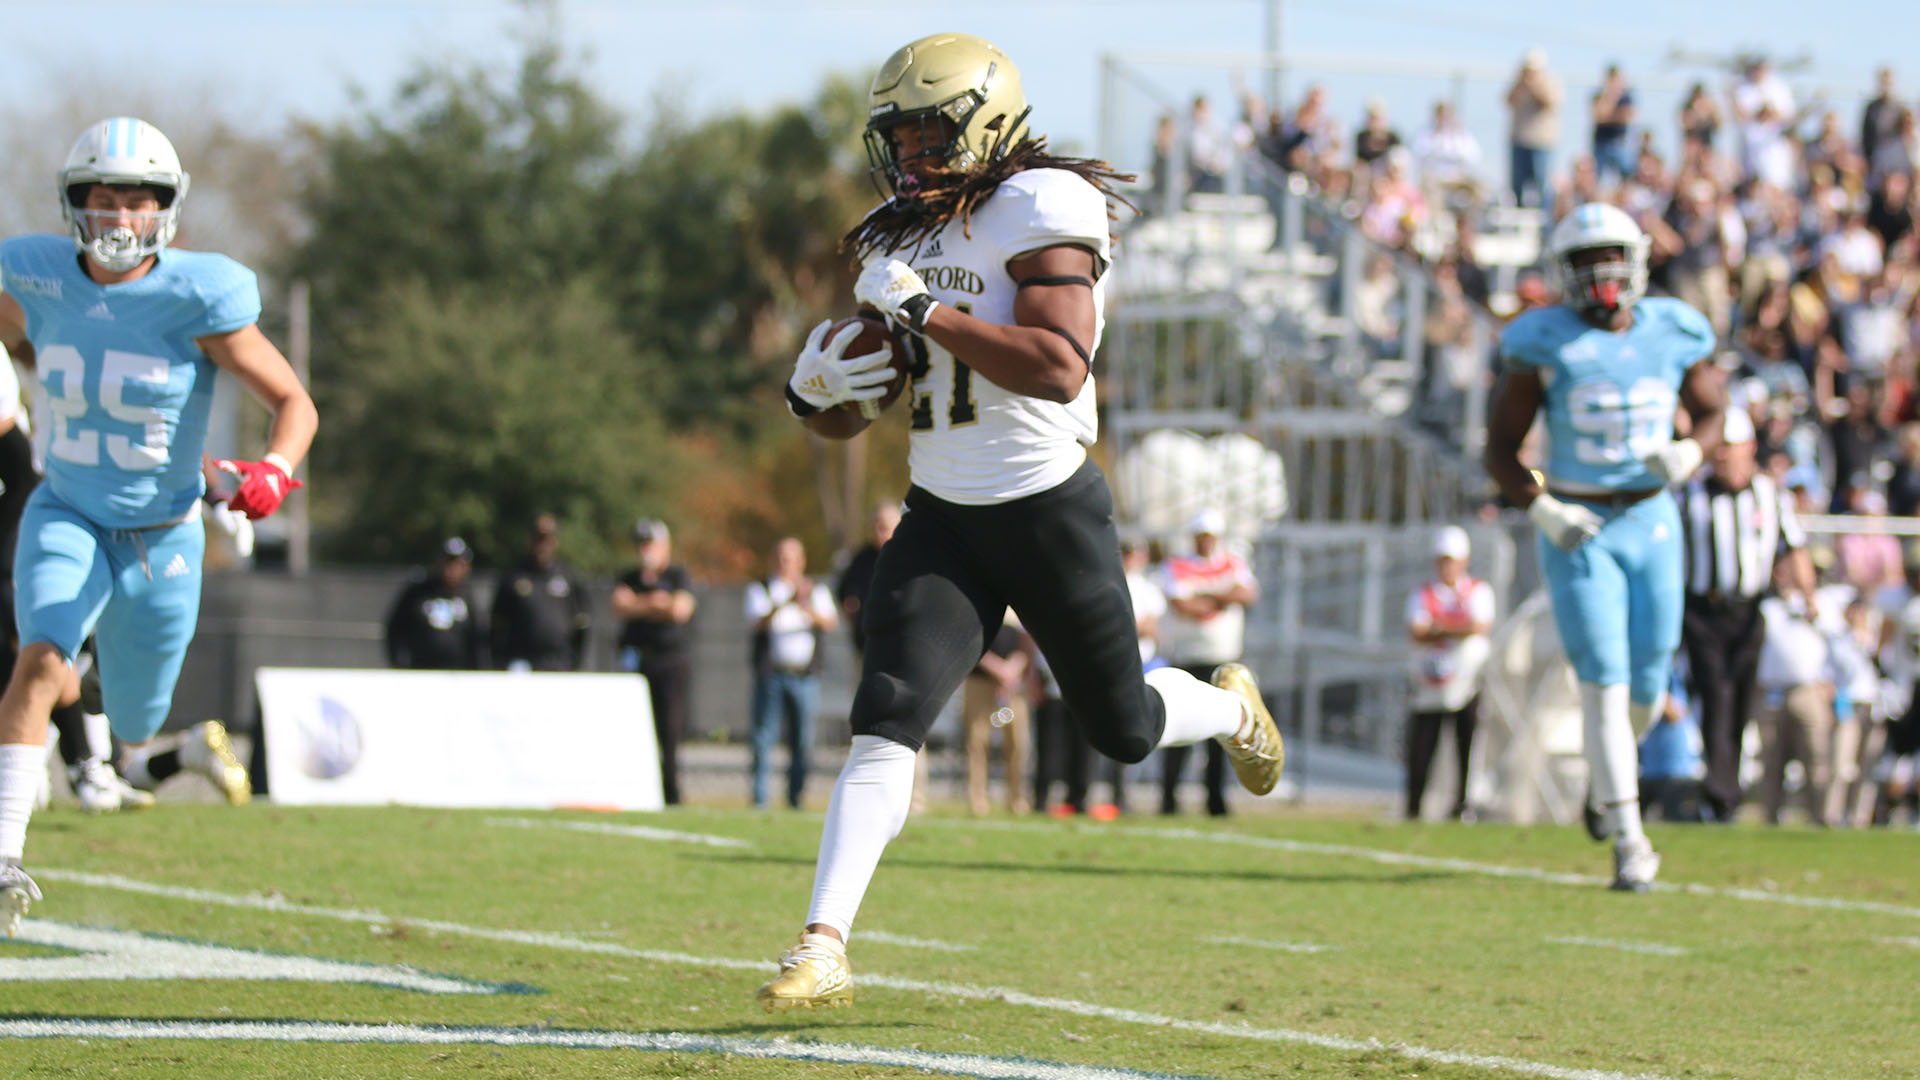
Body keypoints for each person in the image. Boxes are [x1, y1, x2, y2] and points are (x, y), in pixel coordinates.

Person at [763, 32, 1283, 1010]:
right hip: (942, 515)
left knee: (1121, 728)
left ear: (988, 121)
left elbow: (1057, 366)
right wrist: (815, 393)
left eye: (930, 134)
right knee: (885, 713)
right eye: (899, 138)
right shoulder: (896, 236)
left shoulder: (1047, 204)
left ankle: (1228, 708)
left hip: (1048, 506)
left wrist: (928, 314)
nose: (912, 156)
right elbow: (866, 400)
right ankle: (822, 942)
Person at [0, 117, 318, 934]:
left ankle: (142, 751)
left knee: (136, 718)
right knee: (41, 658)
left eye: (134, 203)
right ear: (75, 206)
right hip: (64, 509)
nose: (116, 219)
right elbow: (23, 344)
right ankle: (5, 856)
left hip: (164, 532)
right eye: (99, 201)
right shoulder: (31, 277)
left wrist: (273, 470)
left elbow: (294, 403)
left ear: (164, 211)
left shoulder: (198, 296)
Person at [1483, 201, 1724, 892]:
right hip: (1580, 526)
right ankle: (1630, 841)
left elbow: (1713, 411)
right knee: (1604, 683)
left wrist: (1690, 451)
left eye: (1608, 255)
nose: (1600, 272)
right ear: (1563, 271)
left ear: (1638, 257)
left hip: (1653, 520)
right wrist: (1542, 507)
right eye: (1584, 260)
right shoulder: (1541, 340)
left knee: (1647, 687)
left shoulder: (1673, 329)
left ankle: (1604, 789)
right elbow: (1499, 449)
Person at [1676, 405, 1814, 822]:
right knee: (1715, 696)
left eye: (1728, 449)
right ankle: (1719, 793)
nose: (1721, 457)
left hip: (1749, 610)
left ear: (1748, 449)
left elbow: (1793, 546)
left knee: (1740, 698)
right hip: (1703, 610)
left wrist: (1809, 595)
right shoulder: (1691, 494)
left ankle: (1726, 787)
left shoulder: (1770, 495)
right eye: (1716, 449)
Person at [1157, 509, 1260, 818]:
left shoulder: (1232, 562)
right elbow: (1182, 604)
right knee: (1180, 732)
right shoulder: (1176, 565)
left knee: (1221, 735)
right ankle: (1169, 799)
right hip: (1187, 659)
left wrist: (1205, 596)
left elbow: (1247, 593)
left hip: (1223, 659)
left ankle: (1215, 800)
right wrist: (1221, 596)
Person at [1403, 525, 1494, 821]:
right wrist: (1456, 630)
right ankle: (1414, 806)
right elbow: (1416, 631)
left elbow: (1479, 626)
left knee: (1466, 746)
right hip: (1430, 683)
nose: (1448, 567)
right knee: (1422, 746)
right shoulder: (1425, 593)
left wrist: (1439, 627)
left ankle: (1462, 806)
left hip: (1467, 682)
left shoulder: (1478, 590)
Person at [746, 536, 836, 810]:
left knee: (802, 741)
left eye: (792, 558)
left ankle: (795, 798)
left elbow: (829, 622)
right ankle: (760, 799)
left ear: (802, 561)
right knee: (764, 737)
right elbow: (758, 622)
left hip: (804, 676)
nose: (786, 564)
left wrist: (804, 604)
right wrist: (786, 601)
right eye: (781, 558)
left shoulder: (816, 590)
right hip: (772, 674)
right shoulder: (761, 588)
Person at [611, 518, 696, 807]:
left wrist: (641, 604)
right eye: (641, 544)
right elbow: (619, 607)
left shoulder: (678, 574)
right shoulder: (629, 576)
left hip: (671, 661)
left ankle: (670, 793)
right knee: (635, 730)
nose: (645, 550)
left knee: (669, 732)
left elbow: (679, 610)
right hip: (638, 661)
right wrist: (656, 602)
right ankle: (638, 790)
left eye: (650, 544)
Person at [490, 513, 590, 672]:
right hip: (521, 663)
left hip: (559, 663)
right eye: (538, 538)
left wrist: (574, 662)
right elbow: (497, 623)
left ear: (555, 541)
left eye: (547, 539)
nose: (542, 545)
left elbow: (582, 624)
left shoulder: (568, 577)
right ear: (530, 539)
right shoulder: (514, 576)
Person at [961, 613, 1029, 816]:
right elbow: (969, 639)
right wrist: (997, 669)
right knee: (977, 742)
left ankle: (1017, 800)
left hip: (1012, 684)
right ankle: (978, 801)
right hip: (979, 680)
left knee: (1017, 742)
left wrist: (1012, 670)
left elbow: (1026, 644)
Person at [384, 537, 486, 671]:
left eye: (457, 563)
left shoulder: (466, 595)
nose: (452, 568)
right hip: (420, 671)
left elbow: (476, 637)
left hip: (458, 675)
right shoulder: (418, 591)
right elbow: (396, 627)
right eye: (448, 562)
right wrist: (399, 662)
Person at [1505, 49, 1561, 213]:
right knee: (1517, 183)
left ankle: (1544, 217)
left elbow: (1549, 102)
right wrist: (1521, 84)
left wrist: (1534, 85)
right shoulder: (1518, 84)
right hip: (1519, 140)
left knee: (1542, 183)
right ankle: (1518, 213)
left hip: (1541, 142)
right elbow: (1508, 101)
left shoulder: (1550, 81)